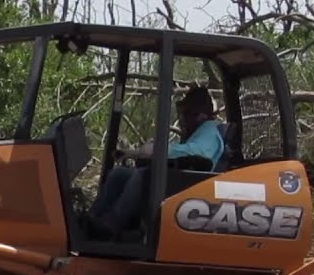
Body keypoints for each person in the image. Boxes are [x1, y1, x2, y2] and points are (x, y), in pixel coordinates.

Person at [86, 86, 225, 238]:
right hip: (182, 181)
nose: (183, 119)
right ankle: (95, 217)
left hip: (191, 189)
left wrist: (160, 149)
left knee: (144, 175)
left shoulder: (210, 130)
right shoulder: (201, 131)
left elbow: (198, 154)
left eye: (186, 113)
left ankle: (111, 225)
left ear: (199, 115)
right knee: (120, 174)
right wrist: (134, 153)